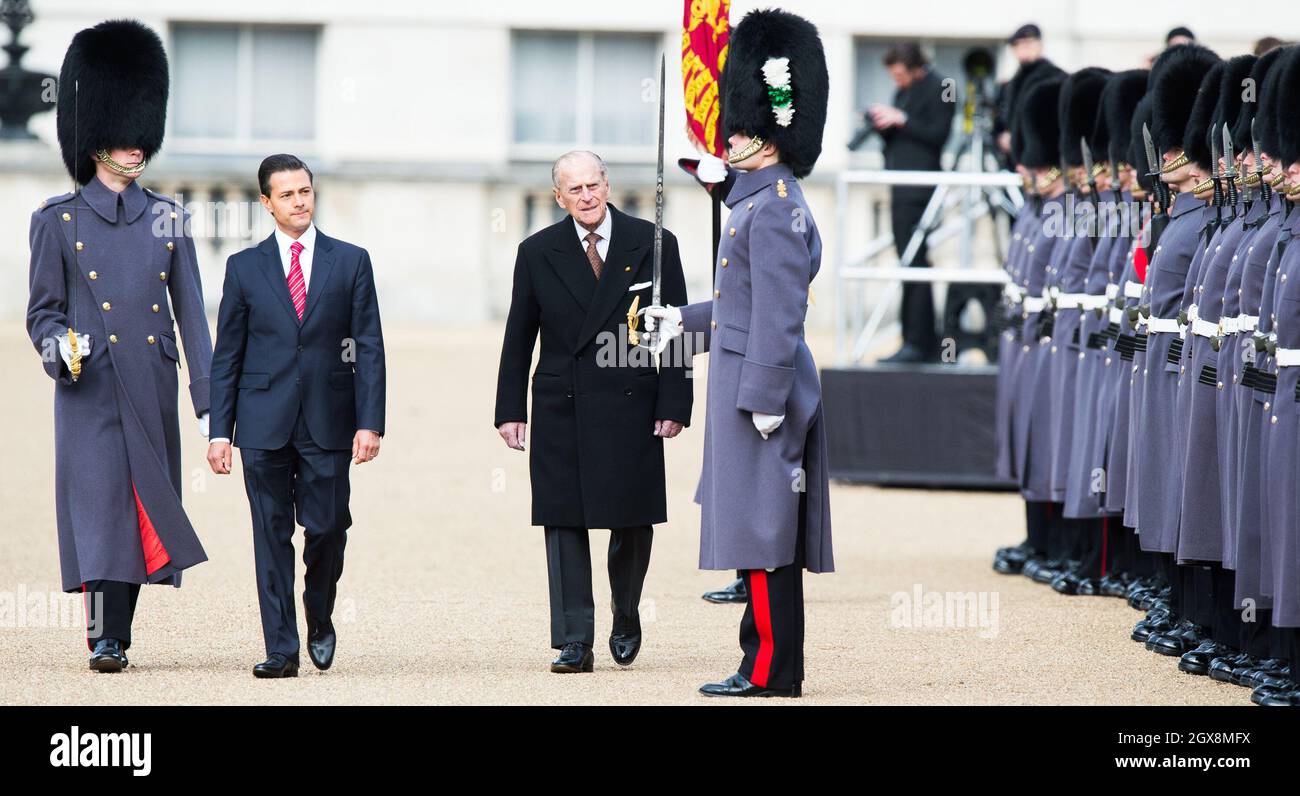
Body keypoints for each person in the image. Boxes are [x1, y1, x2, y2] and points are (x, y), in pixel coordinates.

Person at [646, 8, 833, 698]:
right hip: (744, 381)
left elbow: (780, 317)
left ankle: (770, 671)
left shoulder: (775, 208)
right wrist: (682, 322)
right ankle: (763, 663)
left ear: (767, 138)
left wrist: (761, 398)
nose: (732, 137)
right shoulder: (755, 205)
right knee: (755, 529)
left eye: (743, 128)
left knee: (763, 532)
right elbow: (742, 306)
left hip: (763, 391)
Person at [26, 19, 213, 673]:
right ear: (95, 135)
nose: (135, 149)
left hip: (150, 378)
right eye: (124, 138)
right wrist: (59, 348)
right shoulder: (57, 222)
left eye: (141, 138)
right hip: (90, 382)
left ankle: (120, 632)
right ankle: (106, 638)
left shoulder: (167, 216)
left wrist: (208, 401)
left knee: (143, 507)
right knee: (102, 504)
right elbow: (42, 313)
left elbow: (194, 316)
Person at [494, 151, 692, 674]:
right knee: (563, 521)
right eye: (574, 189)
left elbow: (677, 329)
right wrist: (509, 409)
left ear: (607, 184)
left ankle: (626, 614)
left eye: (593, 185)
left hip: (633, 398)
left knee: (631, 519)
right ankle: (574, 638)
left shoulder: (653, 243)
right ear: (558, 197)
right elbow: (519, 336)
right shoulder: (537, 251)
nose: (586, 196)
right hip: (562, 401)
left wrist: (676, 401)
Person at [207, 154, 387, 679]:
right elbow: (228, 356)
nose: (299, 201)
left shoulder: (351, 261)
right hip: (261, 421)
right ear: (267, 203)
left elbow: (369, 346)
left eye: (305, 190)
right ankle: (281, 649)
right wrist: (221, 430)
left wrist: (369, 421)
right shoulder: (243, 268)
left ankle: (319, 613)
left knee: (328, 527)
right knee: (269, 534)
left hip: (330, 419)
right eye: (286, 194)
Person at [869, 42, 955, 363]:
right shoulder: (902, 92)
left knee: (915, 260)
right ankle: (917, 340)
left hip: (920, 189)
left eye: (901, 74)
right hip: (900, 185)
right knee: (908, 261)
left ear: (917, 68)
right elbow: (898, 138)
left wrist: (902, 119)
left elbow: (939, 134)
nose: (897, 81)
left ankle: (919, 343)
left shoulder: (944, 87)